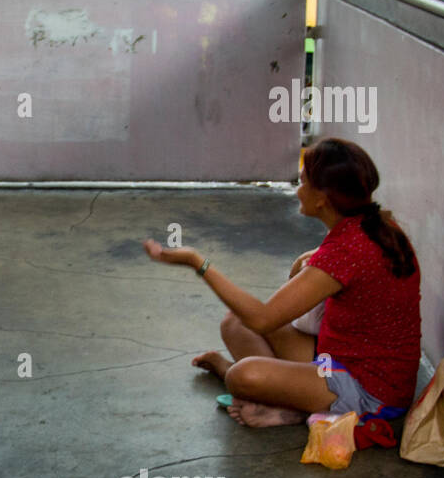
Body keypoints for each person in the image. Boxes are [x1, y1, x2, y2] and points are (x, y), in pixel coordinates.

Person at [143, 137, 420, 428]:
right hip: (338, 355)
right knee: (235, 322)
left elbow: (263, 319)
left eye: (303, 182)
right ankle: (282, 400)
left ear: (322, 197)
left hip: (371, 390)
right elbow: (282, 306)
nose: (298, 191)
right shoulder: (373, 226)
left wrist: (197, 263)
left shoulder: (348, 250)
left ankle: (275, 400)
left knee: (243, 376)